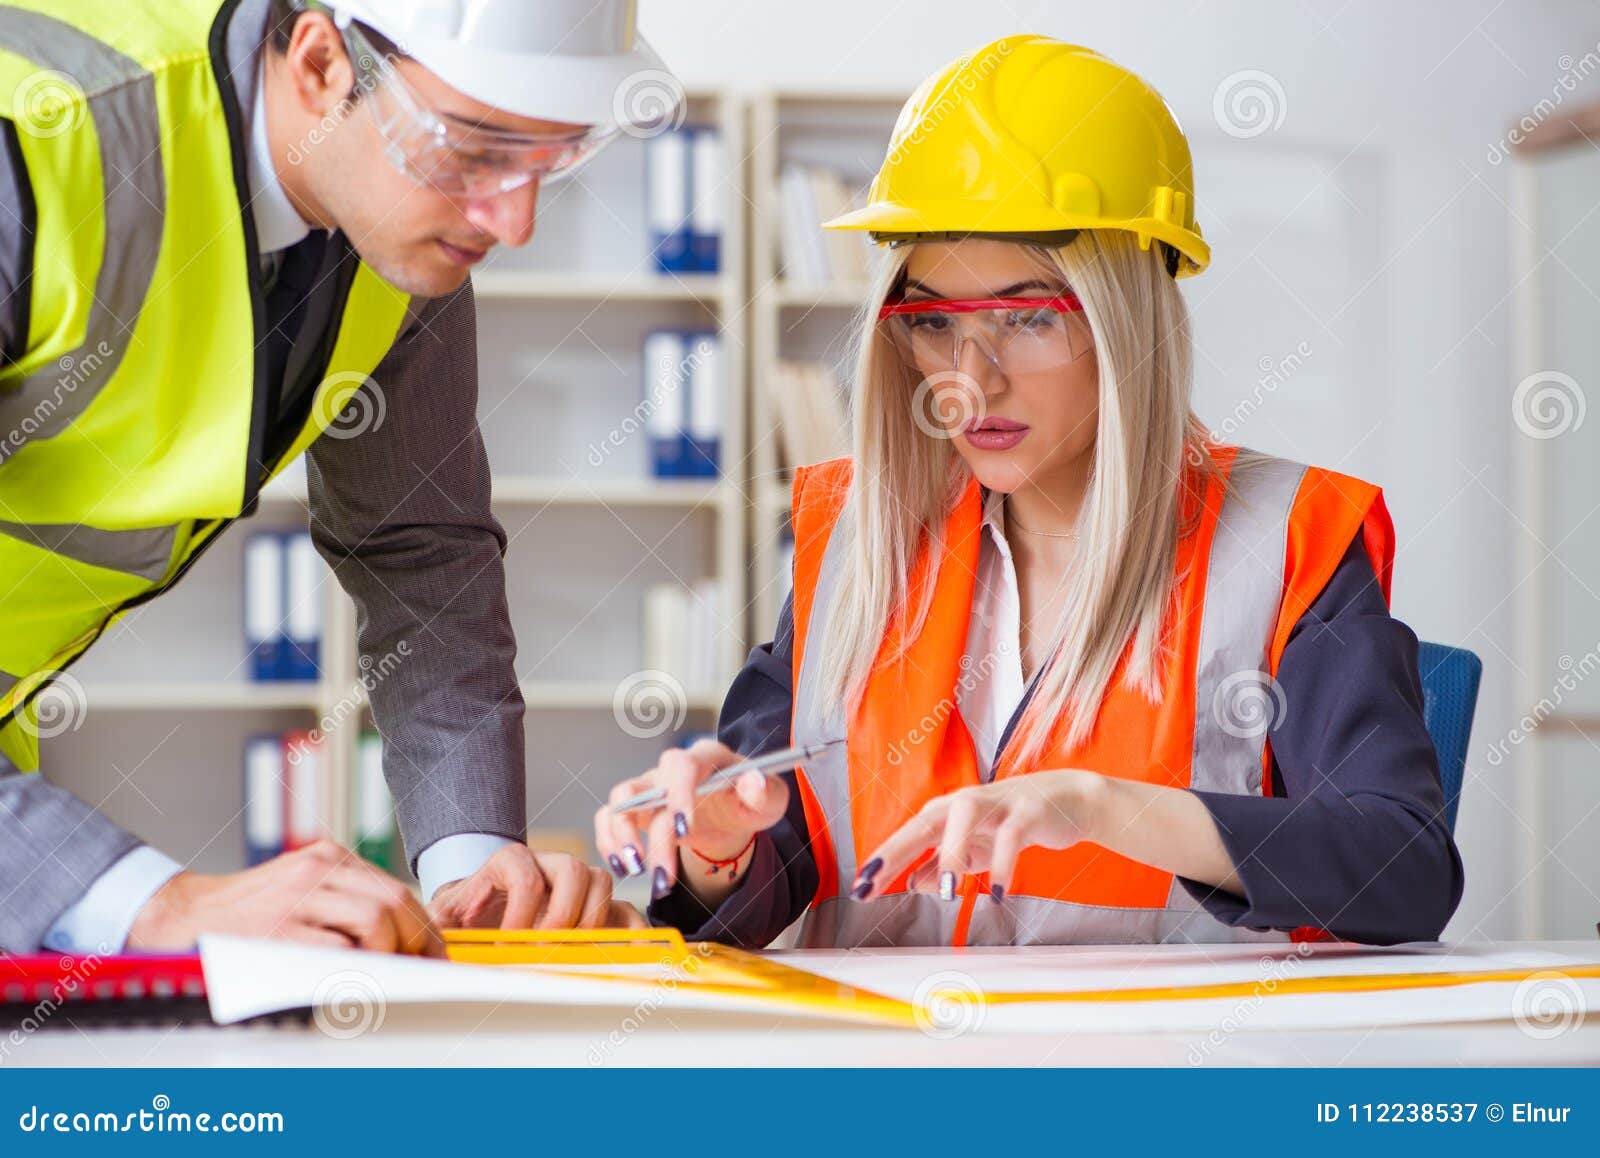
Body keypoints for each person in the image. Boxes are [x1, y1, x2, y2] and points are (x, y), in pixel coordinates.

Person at [595, 36, 1464, 948]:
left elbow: (1402, 869)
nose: (968, 380)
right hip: (892, 1067)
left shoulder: (1292, 538)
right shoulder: (856, 541)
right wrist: (717, 852)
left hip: (1163, 1075)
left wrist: (1101, 805)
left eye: (1030, 316)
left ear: (1129, 319)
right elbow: (776, 860)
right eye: (931, 322)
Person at [0, 0, 665, 955]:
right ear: (318, 64)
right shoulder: (34, 142)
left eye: (548, 162)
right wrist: (160, 904)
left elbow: (421, 557)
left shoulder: (399, 234)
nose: (512, 221)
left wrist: (470, 870)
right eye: (476, 150)